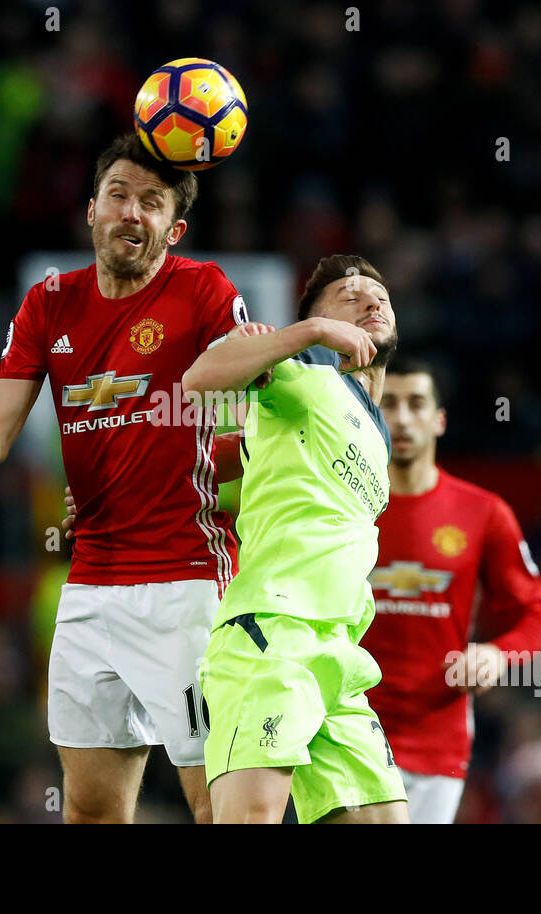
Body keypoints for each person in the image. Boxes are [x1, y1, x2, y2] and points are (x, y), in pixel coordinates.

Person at [0, 133, 254, 824]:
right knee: (90, 809)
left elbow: (255, 409)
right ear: (91, 210)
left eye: (150, 203)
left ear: (173, 229)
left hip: (188, 585)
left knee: (217, 804)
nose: (130, 212)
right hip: (90, 584)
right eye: (118, 195)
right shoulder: (49, 303)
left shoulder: (204, 289)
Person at [181, 254, 409, 823]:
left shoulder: (378, 437)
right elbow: (198, 381)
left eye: (378, 295)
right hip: (272, 637)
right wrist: (300, 334)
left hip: (340, 652)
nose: (370, 302)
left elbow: (222, 467)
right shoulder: (303, 368)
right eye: (349, 297)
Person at [360, 358, 541, 823]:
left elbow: (533, 617)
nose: (402, 418)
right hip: (346, 725)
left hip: (437, 736)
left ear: (439, 419)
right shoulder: (339, 507)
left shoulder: (483, 513)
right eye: (388, 404)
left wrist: (498, 655)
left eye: (416, 404)